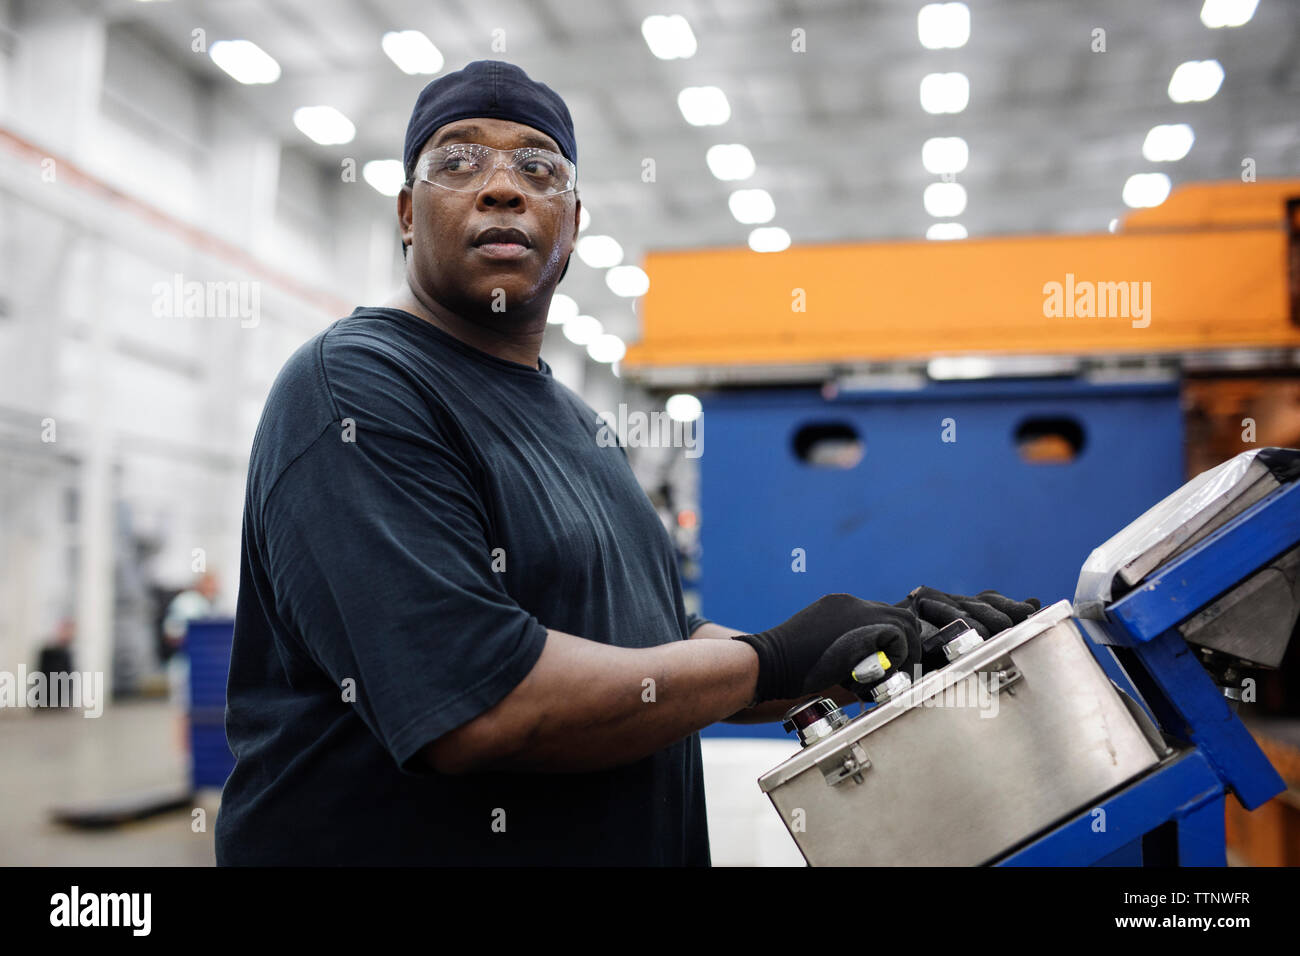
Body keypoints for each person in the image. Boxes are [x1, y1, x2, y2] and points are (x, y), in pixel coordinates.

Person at [215, 60, 1036, 866]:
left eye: (538, 168)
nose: (501, 186)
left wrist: (861, 651)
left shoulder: (573, 421)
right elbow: (480, 706)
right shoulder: (358, 388)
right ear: (404, 213)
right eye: (457, 162)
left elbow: (650, 642)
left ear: (571, 225)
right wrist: (767, 660)